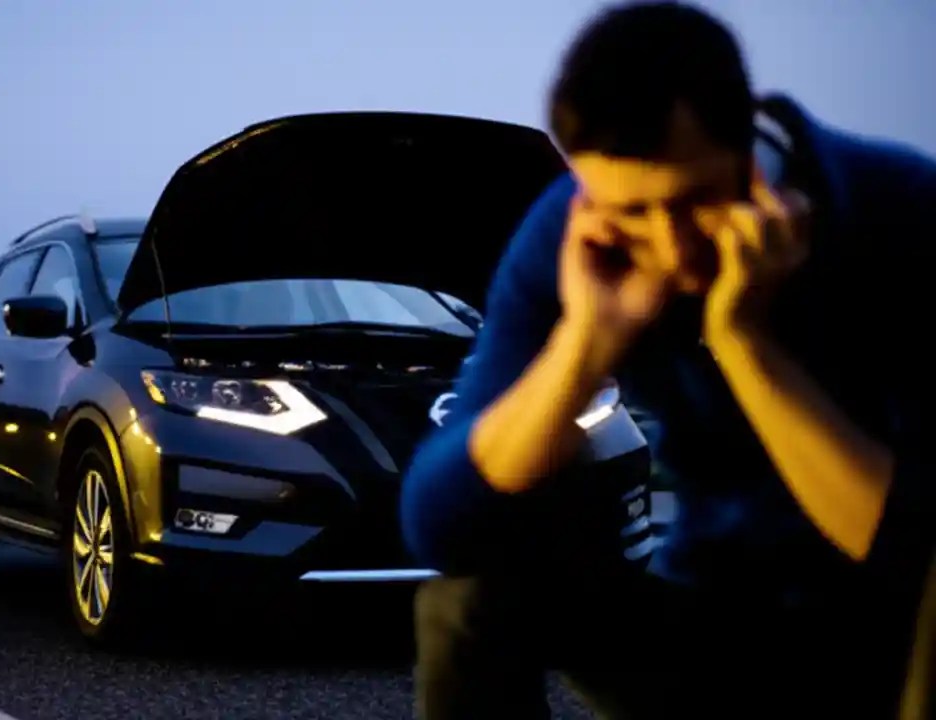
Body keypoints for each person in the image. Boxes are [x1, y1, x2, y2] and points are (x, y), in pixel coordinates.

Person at [399, 2, 936, 718]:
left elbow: (910, 543)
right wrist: (584, 343)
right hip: (704, 625)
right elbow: (441, 527)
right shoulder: (575, 235)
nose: (672, 247)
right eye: (632, 213)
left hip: (891, 642)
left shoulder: (899, 208)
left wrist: (747, 344)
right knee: (463, 604)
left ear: (750, 153)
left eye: (695, 202)